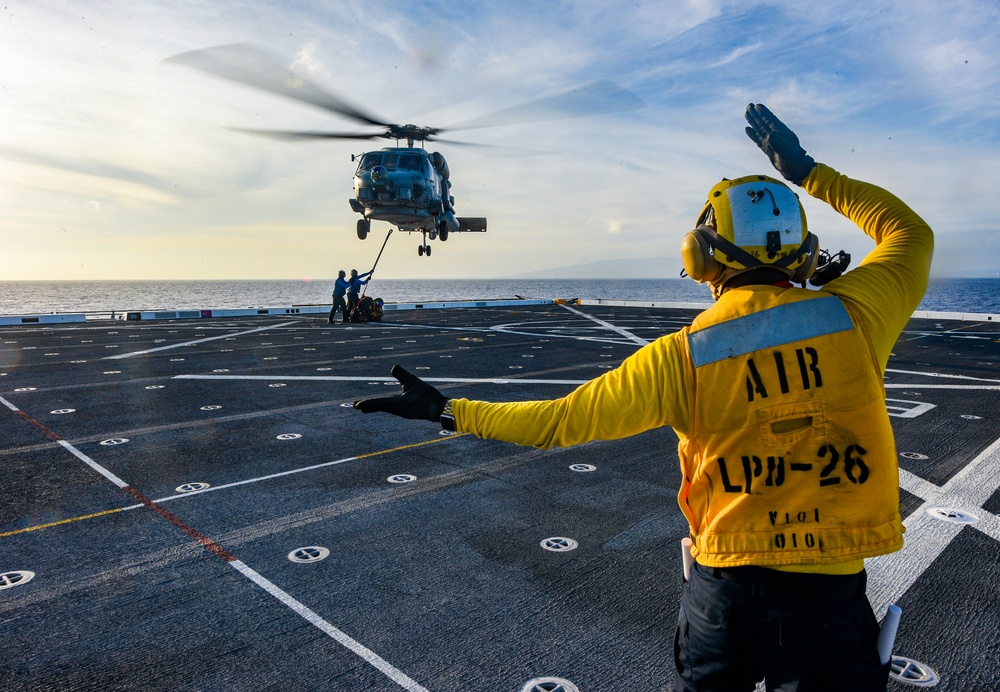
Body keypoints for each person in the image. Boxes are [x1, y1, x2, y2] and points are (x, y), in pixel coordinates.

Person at [354, 104, 933, 691]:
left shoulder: (682, 357)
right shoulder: (858, 314)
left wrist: (449, 410)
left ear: (700, 257)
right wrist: (808, 171)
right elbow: (910, 232)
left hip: (725, 595)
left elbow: (558, 422)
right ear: (807, 254)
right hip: (828, 599)